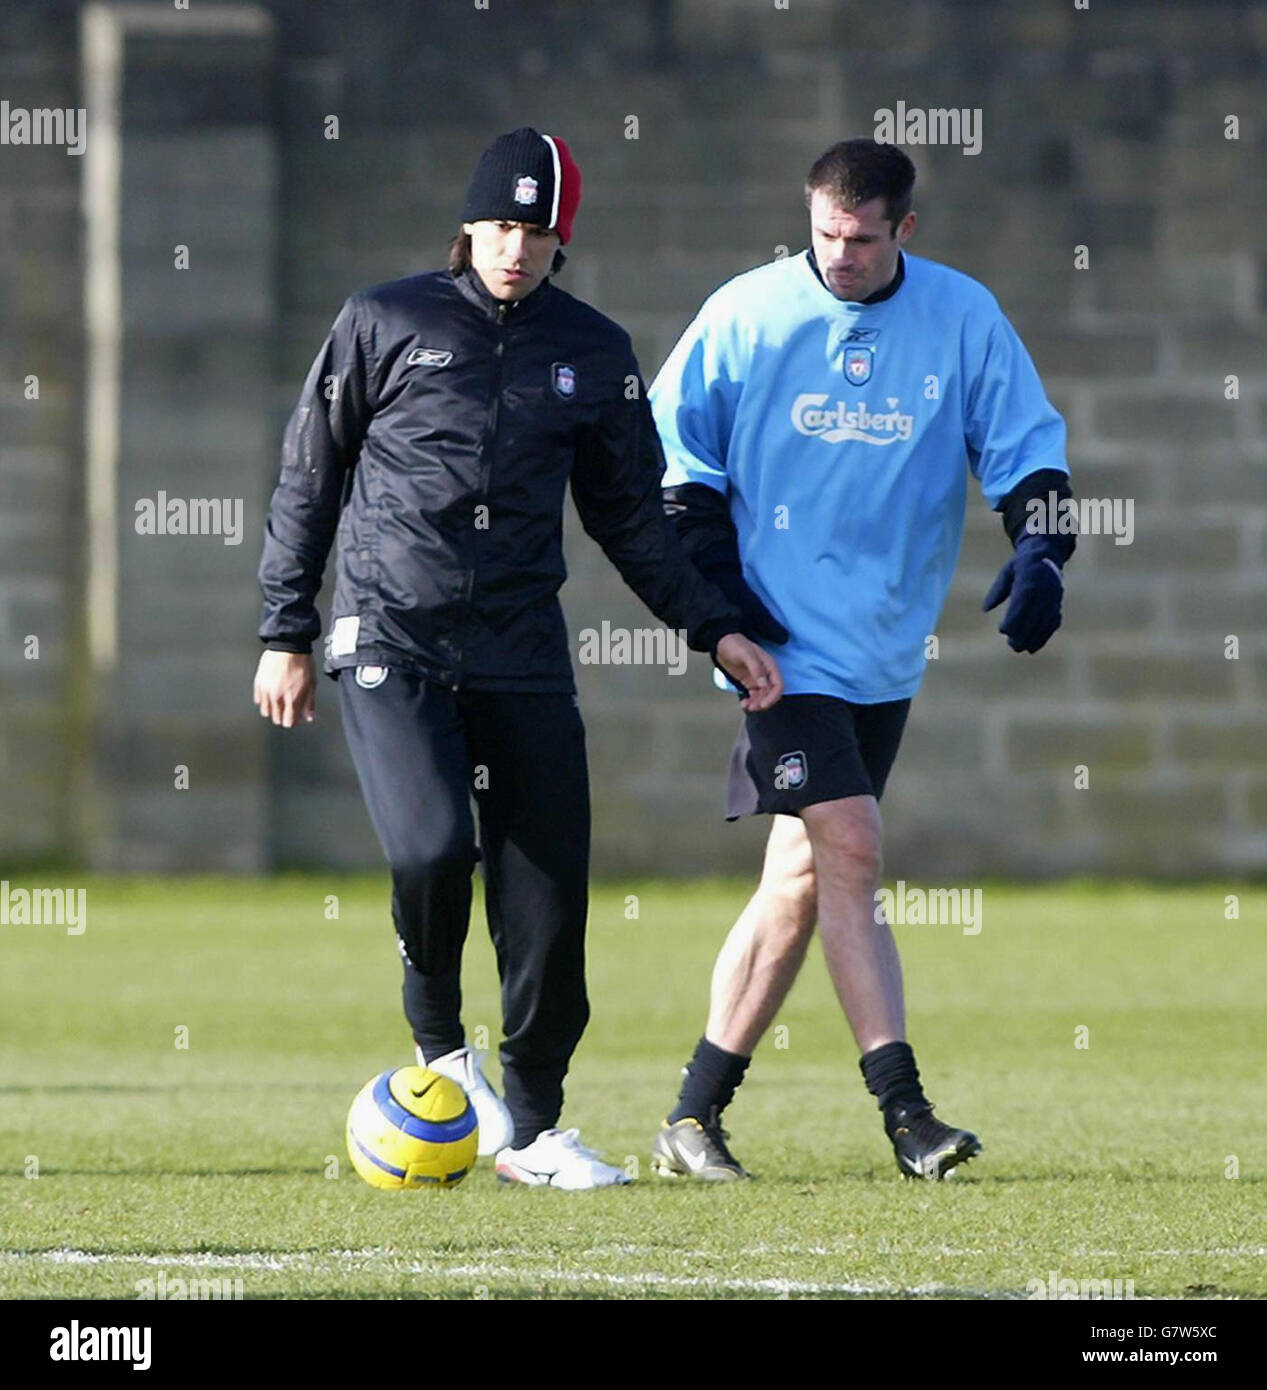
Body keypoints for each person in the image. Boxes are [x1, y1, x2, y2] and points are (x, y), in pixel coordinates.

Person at [253, 127, 781, 1190]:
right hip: (387, 636)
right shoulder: (382, 318)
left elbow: (633, 522)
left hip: (520, 651)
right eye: (500, 224)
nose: (515, 247)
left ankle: (533, 1131)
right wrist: (284, 629)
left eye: (537, 231)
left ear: (560, 238)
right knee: (435, 844)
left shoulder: (593, 351)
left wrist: (711, 623)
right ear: (469, 223)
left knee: (547, 897)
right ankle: (440, 1040)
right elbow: (309, 475)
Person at [647, 138, 1075, 1181]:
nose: (839, 254)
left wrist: (1043, 552)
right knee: (848, 844)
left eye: (862, 238)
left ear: (904, 232)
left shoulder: (961, 316)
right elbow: (668, 459)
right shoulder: (746, 313)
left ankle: (691, 1119)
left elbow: (1029, 451)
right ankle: (906, 1114)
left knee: (798, 877)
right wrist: (715, 595)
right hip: (776, 647)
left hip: (884, 647)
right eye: (825, 233)